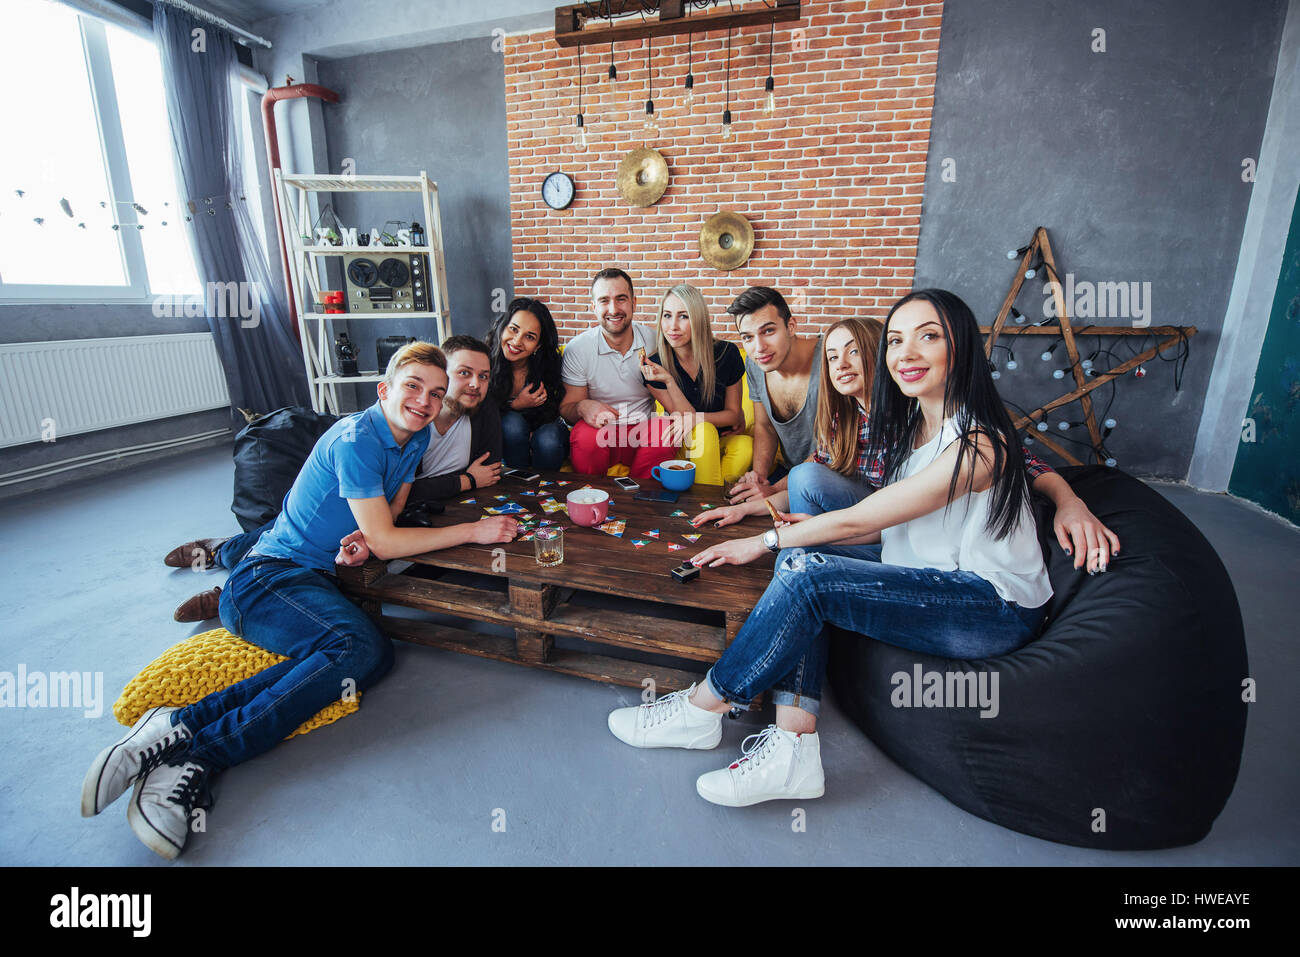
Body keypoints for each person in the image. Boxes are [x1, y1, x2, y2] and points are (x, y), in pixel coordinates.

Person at [607, 289, 1115, 807]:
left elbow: (869, 514)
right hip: (924, 571)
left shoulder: (980, 441)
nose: (907, 353)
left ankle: (703, 708)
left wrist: (762, 541)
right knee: (804, 562)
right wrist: (794, 527)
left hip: (990, 605)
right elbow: (887, 528)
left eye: (929, 336)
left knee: (805, 576)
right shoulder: (911, 428)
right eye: (897, 339)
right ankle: (792, 747)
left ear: (960, 348)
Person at [82, 342, 518, 858]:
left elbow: (386, 524)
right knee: (361, 651)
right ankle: (196, 754)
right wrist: (472, 531)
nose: (425, 401)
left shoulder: (413, 440)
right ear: (385, 390)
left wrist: (361, 539)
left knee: (364, 654)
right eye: (414, 387)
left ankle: (176, 728)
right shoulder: (358, 438)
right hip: (264, 581)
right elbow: (388, 541)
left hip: (311, 578)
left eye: (436, 393)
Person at [694, 315, 1119, 569]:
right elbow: (806, 479)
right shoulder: (845, 417)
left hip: (905, 534)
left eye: (854, 353)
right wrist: (746, 508)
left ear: (878, 356)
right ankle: (806, 563)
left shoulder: (921, 411)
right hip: (871, 522)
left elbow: (1023, 463)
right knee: (805, 474)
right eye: (832, 356)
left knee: (801, 551)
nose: (840, 365)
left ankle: (809, 565)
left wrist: (1071, 503)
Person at [165, 335, 502, 623]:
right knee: (296, 534)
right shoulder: (403, 418)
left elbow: (404, 500)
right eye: (464, 373)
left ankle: (237, 573)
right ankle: (228, 568)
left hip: (379, 515)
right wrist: (466, 485)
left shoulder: (446, 425)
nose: (474, 383)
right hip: (332, 511)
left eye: (483, 377)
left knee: (367, 543)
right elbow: (402, 502)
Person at [559, 268, 677, 479]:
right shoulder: (578, 348)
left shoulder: (655, 341)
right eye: (604, 300)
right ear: (594, 307)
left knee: (664, 430)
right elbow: (567, 409)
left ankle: (642, 500)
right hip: (600, 433)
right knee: (585, 436)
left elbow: (675, 396)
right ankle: (592, 497)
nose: (613, 309)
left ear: (634, 302)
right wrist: (582, 406)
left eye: (621, 299)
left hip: (642, 432)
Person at [639, 283, 750, 486]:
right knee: (704, 432)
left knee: (745, 445)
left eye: (683, 316)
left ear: (698, 319)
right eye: (667, 315)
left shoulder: (727, 353)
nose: (672, 326)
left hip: (719, 437)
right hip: (685, 442)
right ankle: (706, 504)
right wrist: (669, 381)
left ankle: (714, 496)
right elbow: (684, 421)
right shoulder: (655, 366)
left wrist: (699, 419)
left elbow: (733, 414)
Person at [724, 286, 822, 505]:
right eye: (748, 337)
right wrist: (758, 477)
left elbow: (836, 449)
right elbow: (764, 426)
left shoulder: (829, 359)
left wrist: (775, 489)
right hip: (790, 473)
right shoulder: (755, 364)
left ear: (791, 326)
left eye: (768, 331)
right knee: (737, 501)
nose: (759, 347)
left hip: (834, 475)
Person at [489, 297, 568, 472]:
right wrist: (516, 405)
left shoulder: (549, 364)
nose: (517, 341)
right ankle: (520, 483)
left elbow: (554, 409)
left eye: (529, 337)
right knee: (512, 424)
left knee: (547, 439)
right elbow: (481, 412)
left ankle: (545, 490)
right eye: (513, 329)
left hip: (546, 429)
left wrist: (533, 431)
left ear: (538, 345)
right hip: (507, 435)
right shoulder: (484, 361)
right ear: (503, 327)